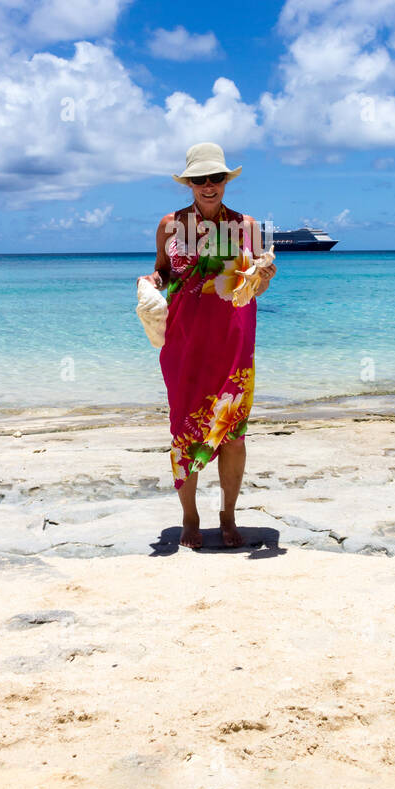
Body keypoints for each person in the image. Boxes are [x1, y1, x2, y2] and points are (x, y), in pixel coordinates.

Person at [145, 142, 276, 549]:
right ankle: (189, 518)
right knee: (185, 431)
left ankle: (228, 515)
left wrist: (266, 274)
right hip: (184, 343)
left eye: (215, 178)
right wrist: (152, 284)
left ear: (225, 181)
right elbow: (164, 273)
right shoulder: (170, 225)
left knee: (232, 432)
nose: (208, 185)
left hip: (233, 342)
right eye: (199, 179)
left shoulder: (247, 226)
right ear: (189, 183)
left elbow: (258, 283)